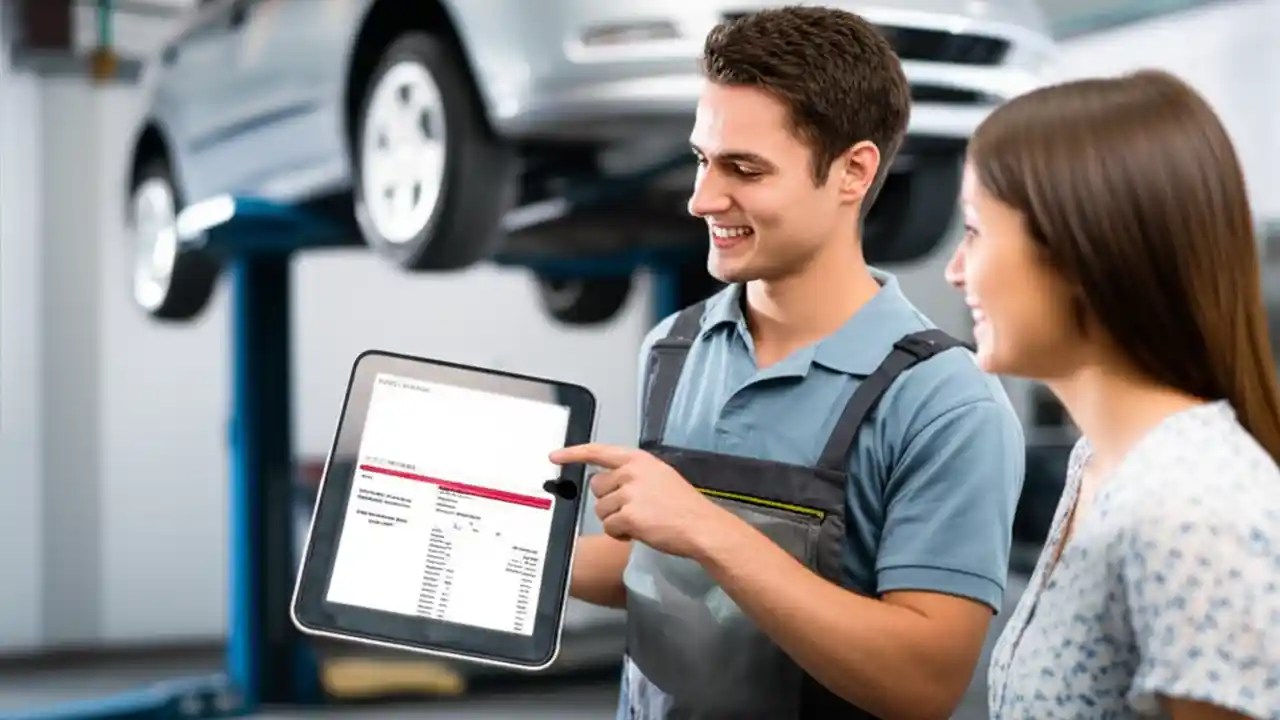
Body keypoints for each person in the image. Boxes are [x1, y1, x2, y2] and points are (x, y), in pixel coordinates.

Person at [548, 7, 1026, 719]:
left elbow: (921, 683)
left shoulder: (944, 402)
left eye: (744, 168)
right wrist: (498, 552)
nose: (702, 198)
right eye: (702, 159)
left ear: (852, 172)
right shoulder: (674, 349)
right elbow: (667, 571)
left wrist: (708, 528)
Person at [944, 69, 1280, 719]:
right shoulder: (1100, 465)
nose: (956, 270)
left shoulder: (1192, 506)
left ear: (1075, 252)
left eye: (975, 230)